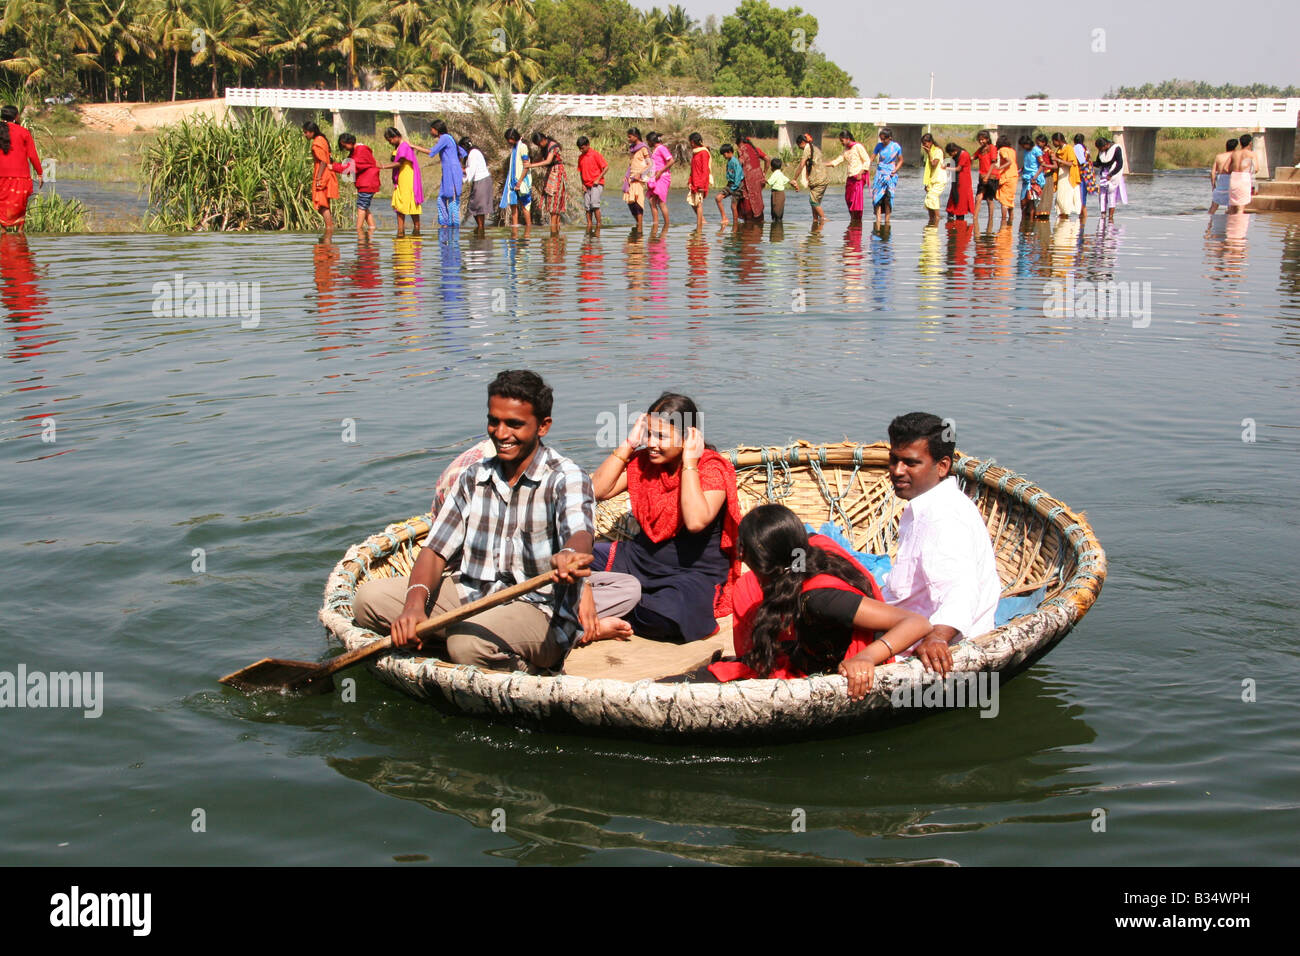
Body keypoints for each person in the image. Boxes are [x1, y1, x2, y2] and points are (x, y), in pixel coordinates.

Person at [351, 370, 641, 672]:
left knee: (467, 642)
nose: (501, 434)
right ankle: (445, 642)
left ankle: (517, 667)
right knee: (368, 600)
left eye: (515, 424)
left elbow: (579, 533)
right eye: (494, 421)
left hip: (540, 609)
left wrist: (569, 555)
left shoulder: (566, 478)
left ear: (543, 426)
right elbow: (435, 551)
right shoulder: (473, 477)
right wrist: (413, 607)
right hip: (470, 593)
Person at [697, 505, 930, 700]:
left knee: (716, 675)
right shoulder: (804, 554)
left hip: (840, 659)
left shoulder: (818, 599)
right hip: (811, 649)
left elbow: (917, 622)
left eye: (742, 551)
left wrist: (866, 658)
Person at [590, 393, 742, 643]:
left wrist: (690, 462)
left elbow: (696, 521)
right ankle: (618, 599)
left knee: (664, 616)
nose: (651, 443)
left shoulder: (711, 469)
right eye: (648, 433)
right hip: (639, 558)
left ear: (688, 437)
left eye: (661, 436)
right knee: (575, 561)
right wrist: (629, 442)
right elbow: (597, 491)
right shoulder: (644, 463)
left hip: (690, 573)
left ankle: (613, 606)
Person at [880, 412, 1002, 676]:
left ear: (943, 466)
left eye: (911, 463)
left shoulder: (945, 518)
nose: (897, 471)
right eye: (894, 460)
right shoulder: (926, 504)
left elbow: (962, 590)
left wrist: (937, 637)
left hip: (919, 633)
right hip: (904, 617)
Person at [0, 104, 42, 233]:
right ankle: (20, 242)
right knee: (20, 209)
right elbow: (32, 155)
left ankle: (2, 236)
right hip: (20, 177)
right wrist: (40, 173)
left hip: (1, 176)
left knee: (1, 208)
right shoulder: (23, 132)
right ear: (16, 117)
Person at [330, 133, 379, 239]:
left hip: (367, 183)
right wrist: (334, 164)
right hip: (366, 183)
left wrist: (333, 166)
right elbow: (347, 166)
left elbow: (350, 168)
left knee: (361, 206)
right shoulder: (356, 151)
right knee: (364, 207)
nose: (345, 148)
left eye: (345, 145)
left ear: (350, 142)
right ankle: (372, 228)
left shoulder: (361, 150)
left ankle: (359, 231)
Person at [417, 119, 462, 227]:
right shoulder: (448, 138)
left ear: (437, 130)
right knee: (441, 199)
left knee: (452, 200)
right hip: (446, 173)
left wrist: (414, 146)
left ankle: (454, 228)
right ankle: (444, 224)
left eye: (431, 130)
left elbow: (432, 151)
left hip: (452, 173)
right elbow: (462, 153)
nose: (431, 132)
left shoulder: (445, 138)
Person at [378, 126, 422, 237]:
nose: (390, 142)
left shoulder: (404, 146)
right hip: (401, 179)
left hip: (407, 178)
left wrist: (383, 166)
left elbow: (400, 163)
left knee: (411, 205)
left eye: (390, 140)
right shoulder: (399, 147)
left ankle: (416, 231)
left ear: (396, 136)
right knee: (399, 206)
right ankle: (401, 231)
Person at [826, 129, 870, 224]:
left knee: (856, 202)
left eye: (842, 140)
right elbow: (838, 160)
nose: (841, 143)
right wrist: (823, 164)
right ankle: (853, 221)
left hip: (858, 178)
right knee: (848, 199)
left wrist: (861, 172)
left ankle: (856, 222)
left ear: (848, 139)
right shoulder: (846, 150)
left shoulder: (858, 146)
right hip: (850, 178)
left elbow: (867, 160)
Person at [526, 131, 566, 235]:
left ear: (544, 139)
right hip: (552, 173)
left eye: (540, 143)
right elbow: (538, 159)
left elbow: (548, 161)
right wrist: (530, 162)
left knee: (554, 208)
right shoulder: (544, 148)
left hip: (557, 173)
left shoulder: (553, 146)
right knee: (553, 208)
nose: (540, 146)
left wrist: (531, 166)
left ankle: (553, 235)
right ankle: (555, 234)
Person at [302, 121, 337, 237]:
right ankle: (329, 228)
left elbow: (323, 160)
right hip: (327, 173)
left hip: (322, 174)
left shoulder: (317, 142)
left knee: (322, 205)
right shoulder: (322, 139)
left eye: (306, 132)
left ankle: (329, 229)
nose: (305, 135)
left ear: (312, 132)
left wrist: (318, 177)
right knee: (324, 204)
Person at [499, 127, 532, 236]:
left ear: (512, 138)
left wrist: (520, 182)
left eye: (509, 139)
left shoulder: (522, 147)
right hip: (513, 182)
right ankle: (515, 234)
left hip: (521, 182)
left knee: (525, 206)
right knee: (514, 207)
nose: (508, 142)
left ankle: (528, 234)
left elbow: (526, 166)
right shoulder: (514, 148)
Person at [459, 136, 492, 233]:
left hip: (481, 181)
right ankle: (480, 228)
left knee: (478, 207)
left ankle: (481, 229)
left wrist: (459, 170)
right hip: (480, 181)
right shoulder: (474, 153)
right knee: (474, 207)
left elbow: (471, 170)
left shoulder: (473, 154)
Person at [576, 135, 609, 232]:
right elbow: (581, 172)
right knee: (587, 207)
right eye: (579, 149)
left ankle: (599, 225)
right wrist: (582, 184)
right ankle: (589, 225)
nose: (581, 150)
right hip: (586, 185)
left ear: (587, 145)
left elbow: (606, 167)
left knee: (594, 204)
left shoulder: (595, 154)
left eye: (582, 148)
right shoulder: (580, 158)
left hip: (596, 184)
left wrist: (598, 179)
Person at [870, 127, 902, 225]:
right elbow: (872, 158)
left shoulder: (896, 147)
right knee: (878, 198)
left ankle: (887, 221)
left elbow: (901, 160)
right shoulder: (879, 146)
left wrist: (896, 169)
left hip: (891, 175)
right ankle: (878, 220)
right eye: (881, 139)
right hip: (880, 174)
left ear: (890, 138)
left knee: (888, 197)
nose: (882, 141)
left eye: (884, 139)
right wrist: (865, 166)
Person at [795, 131, 828, 224]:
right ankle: (815, 223)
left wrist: (794, 178)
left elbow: (802, 165)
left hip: (818, 179)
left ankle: (824, 219)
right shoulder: (814, 147)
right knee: (815, 202)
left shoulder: (807, 148)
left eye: (799, 146)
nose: (799, 148)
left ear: (802, 142)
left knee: (813, 201)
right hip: (820, 179)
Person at [623, 127, 651, 232]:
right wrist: (626, 176)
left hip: (638, 179)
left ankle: (640, 226)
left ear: (636, 136)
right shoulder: (632, 149)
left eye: (630, 137)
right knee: (630, 202)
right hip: (631, 178)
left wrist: (640, 174)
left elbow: (650, 164)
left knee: (638, 201)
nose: (628, 139)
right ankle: (638, 223)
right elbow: (630, 164)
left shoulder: (643, 148)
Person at [645, 131, 674, 229]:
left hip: (662, 177)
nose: (647, 143)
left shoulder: (661, 148)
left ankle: (666, 225)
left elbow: (671, 161)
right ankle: (655, 224)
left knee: (661, 202)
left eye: (648, 141)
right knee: (652, 201)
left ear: (651, 141)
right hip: (656, 178)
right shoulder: (655, 150)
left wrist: (660, 171)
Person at [1094, 136, 1127, 221]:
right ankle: (1103, 216)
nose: (1100, 151)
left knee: (1111, 196)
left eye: (1101, 148)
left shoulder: (1116, 149)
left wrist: (1111, 174)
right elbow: (1098, 163)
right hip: (1103, 176)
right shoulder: (1102, 152)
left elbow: (1120, 164)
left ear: (1106, 145)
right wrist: (1089, 162)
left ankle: (1111, 217)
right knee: (1102, 196)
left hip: (1113, 175)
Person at [736, 136, 768, 222]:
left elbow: (740, 162)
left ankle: (748, 226)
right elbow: (767, 159)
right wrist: (764, 173)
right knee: (758, 199)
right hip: (758, 180)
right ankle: (758, 223)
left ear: (740, 144)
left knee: (747, 202)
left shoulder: (742, 149)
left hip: (748, 181)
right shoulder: (755, 150)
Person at [990, 134, 1018, 228]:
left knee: (1004, 201)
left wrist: (998, 168)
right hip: (1014, 176)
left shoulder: (1003, 150)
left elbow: (1009, 161)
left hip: (1007, 177)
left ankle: (1003, 221)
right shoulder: (1012, 150)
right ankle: (1010, 221)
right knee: (1010, 200)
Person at [1051, 132, 1080, 219]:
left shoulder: (1069, 148)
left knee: (1065, 197)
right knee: (1059, 197)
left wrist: (1058, 160)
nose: (1053, 144)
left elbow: (1071, 163)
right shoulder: (1059, 150)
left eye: (1054, 142)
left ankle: (1065, 218)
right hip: (1061, 175)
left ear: (1058, 141)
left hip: (1068, 176)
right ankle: (1062, 216)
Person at [920, 133, 947, 226]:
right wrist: (926, 183)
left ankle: (937, 218)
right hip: (932, 180)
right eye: (923, 143)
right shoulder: (930, 151)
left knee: (932, 197)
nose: (924, 145)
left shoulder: (937, 151)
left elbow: (933, 164)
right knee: (928, 200)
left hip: (939, 179)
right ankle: (932, 220)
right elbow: (928, 169)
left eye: (926, 143)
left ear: (930, 142)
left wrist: (929, 153)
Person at [686, 132, 712, 229]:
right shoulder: (695, 152)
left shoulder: (704, 152)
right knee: (692, 202)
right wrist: (690, 180)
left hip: (700, 183)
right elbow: (693, 168)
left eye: (690, 142)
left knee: (699, 203)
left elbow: (705, 170)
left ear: (693, 142)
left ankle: (699, 226)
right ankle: (702, 221)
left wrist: (702, 185)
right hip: (694, 181)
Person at [944, 141, 975, 221]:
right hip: (956, 180)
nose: (951, 156)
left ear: (954, 151)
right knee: (953, 198)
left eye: (951, 154)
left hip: (963, 180)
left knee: (961, 200)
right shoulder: (956, 155)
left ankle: (960, 219)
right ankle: (951, 217)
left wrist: (946, 168)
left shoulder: (964, 154)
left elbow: (958, 168)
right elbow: (951, 163)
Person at [715, 143, 743, 225]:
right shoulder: (729, 161)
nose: (724, 156)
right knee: (718, 198)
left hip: (737, 185)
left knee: (733, 206)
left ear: (729, 152)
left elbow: (738, 176)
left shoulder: (735, 162)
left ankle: (735, 224)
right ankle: (724, 217)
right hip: (730, 184)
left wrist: (734, 188)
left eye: (724, 154)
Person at [972, 130, 996, 226]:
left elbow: (993, 163)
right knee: (978, 197)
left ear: (987, 139)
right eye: (979, 140)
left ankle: (990, 220)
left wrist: (987, 176)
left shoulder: (992, 148)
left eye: (983, 139)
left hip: (991, 177)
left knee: (989, 199)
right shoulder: (980, 149)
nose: (981, 141)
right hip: (982, 177)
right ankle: (975, 218)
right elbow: (972, 157)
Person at [1208, 138, 1237, 215]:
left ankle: (1208, 225)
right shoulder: (1235, 156)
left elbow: (1213, 172)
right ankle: (1230, 225)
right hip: (1231, 180)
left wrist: (1213, 185)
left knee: (1213, 207)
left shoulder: (1219, 156)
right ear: (1235, 147)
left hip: (1220, 180)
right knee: (1232, 207)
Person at [1227, 133, 1255, 214]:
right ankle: (1239, 226)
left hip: (1234, 178)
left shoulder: (1234, 153)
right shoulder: (1252, 154)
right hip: (1244, 178)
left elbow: (1228, 168)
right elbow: (1256, 169)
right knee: (1240, 208)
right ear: (1250, 143)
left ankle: (1230, 226)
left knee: (1232, 208)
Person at [1018, 135, 1043, 222]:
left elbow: (1042, 165)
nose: (1022, 147)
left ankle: (1031, 222)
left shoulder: (1036, 150)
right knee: (1023, 202)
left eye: (1023, 145)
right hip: (1026, 177)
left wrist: (1035, 177)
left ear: (1027, 144)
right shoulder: (1025, 151)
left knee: (1031, 201)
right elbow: (1026, 164)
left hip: (1034, 179)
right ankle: (1024, 221)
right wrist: (1020, 170)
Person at [1074, 134, 1096, 222]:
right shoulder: (1084, 147)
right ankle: (1083, 217)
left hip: (1083, 173)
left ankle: (1083, 217)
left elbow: (1081, 161)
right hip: (1089, 173)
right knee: (1083, 196)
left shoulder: (1077, 147)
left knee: (1081, 196)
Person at [1034, 134, 1057, 221]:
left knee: (1046, 196)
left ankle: (1044, 216)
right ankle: (1039, 215)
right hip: (1039, 176)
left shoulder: (1049, 152)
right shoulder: (1037, 151)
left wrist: (1045, 165)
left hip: (1047, 176)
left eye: (1038, 143)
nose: (1037, 144)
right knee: (1038, 196)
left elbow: (1055, 166)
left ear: (1043, 143)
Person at [765, 156, 791, 222]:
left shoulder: (775, 174)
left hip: (776, 194)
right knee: (780, 210)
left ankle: (775, 228)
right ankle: (779, 226)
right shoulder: (781, 174)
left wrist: (763, 179)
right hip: (782, 194)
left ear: (772, 167)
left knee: (775, 210)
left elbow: (770, 182)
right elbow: (787, 180)